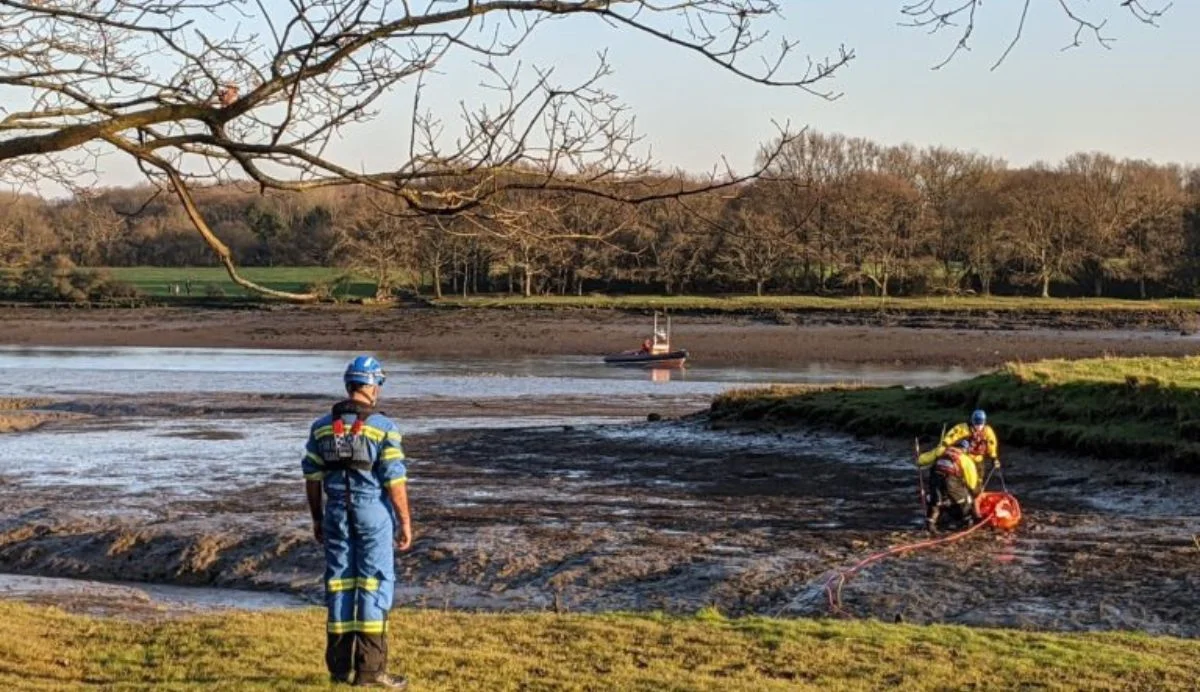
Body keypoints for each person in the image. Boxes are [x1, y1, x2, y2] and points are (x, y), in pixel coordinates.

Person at [302, 355, 413, 688]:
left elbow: (312, 477)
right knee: (374, 585)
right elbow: (394, 480)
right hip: (372, 513)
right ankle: (370, 671)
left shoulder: (321, 426)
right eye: (378, 384)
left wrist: (318, 518)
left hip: (335, 512)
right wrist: (405, 522)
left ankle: (339, 670)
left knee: (339, 585)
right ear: (370, 385)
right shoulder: (383, 428)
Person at [916, 409, 1000, 532]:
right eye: (976, 423)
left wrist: (920, 460)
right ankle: (967, 519)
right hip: (954, 475)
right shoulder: (964, 457)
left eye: (980, 423)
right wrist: (975, 491)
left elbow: (929, 457)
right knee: (963, 497)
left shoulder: (945, 452)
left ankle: (931, 521)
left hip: (937, 473)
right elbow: (972, 480)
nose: (978, 426)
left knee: (936, 497)